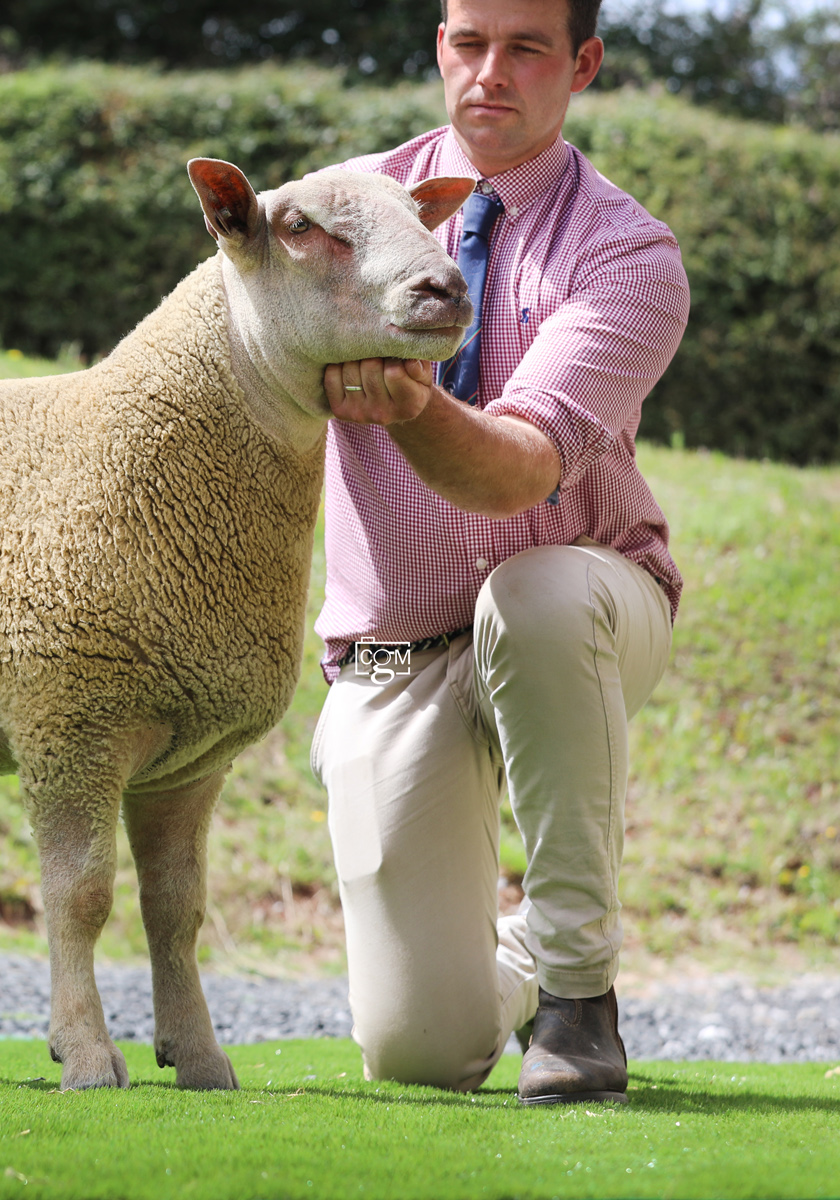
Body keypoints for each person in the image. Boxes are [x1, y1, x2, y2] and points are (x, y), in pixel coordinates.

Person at [310, 0, 689, 1104]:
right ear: (439, 47)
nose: (490, 73)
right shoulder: (335, 217)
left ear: (583, 65)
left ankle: (577, 990)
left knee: (536, 597)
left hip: (587, 603)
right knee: (419, 1053)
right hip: (394, 650)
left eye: (526, 48)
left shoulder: (627, 254)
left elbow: (522, 468)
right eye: (468, 43)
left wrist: (402, 402)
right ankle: (522, 962)